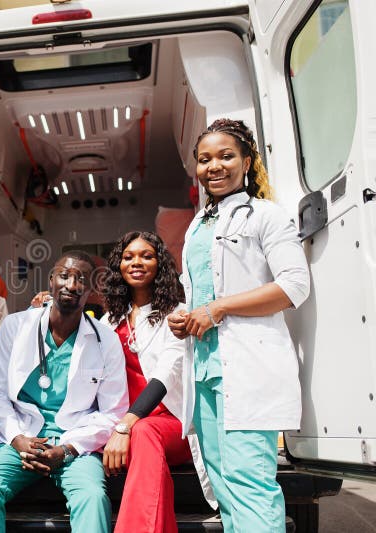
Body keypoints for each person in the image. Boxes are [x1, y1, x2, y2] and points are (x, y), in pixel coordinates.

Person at [168, 118, 310, 532]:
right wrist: (185, 315)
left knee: (250, 484)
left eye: (226, 156)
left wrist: (219, 309)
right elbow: (199, 290)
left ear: (247, 161)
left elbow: (293, 286)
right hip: (207, 372)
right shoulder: (198, 225)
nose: (215, 166)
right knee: (225, 489)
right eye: (205, 159)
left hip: (248, 370)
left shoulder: (267, 215)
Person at [0, 251, 128, 533]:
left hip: (74, 444)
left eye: (81, 280)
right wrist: (18, 439)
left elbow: (113, 412)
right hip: (20, 438)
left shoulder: (106, 340)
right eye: (64, 275)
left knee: (92, 497)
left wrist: (66, 449)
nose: (71, 284)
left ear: (90, 290)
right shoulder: (16, 326)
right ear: (51, 280)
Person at [100, 231, 213, 533]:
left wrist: (126, 426)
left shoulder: (176, 314)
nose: (136, 262)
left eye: (146, 255)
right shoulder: (108, 320)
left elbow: (166, 374)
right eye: (129, 256)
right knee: (147, 451)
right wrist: (44, 308)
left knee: (146, 432)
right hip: (125, 427)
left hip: (170, 423)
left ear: (159, 264)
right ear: (119, 266)